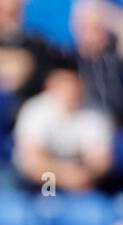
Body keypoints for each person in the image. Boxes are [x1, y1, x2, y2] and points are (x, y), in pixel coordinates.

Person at [12, 63, 113, 192]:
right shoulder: (34, 110)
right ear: (50, 85)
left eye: (74, 84)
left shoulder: (96, 113)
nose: (70, 90)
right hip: (35, 180)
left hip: (81, 181)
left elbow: (100, 162)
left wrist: (81, 177)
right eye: (64, 84)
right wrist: (64, 176)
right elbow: (32, 162)